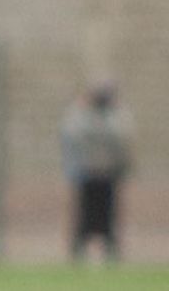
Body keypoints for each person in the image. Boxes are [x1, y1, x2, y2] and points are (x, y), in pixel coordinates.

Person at [61, 83, 133, 262]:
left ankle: (110, 250)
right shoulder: (83, 118)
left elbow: (122, 138)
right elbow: (71, 133)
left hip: (107, 175)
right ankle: (79, 250)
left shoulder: (114, 119)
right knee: (85, 214)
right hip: (88, 174)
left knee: (107, 216)